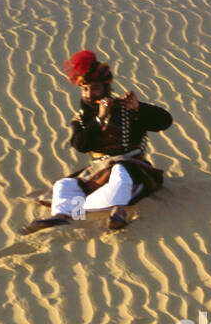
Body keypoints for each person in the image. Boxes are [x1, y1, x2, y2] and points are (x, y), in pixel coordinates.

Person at [24, 50, 173, 233]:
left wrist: (138, 108)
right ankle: (62, 217)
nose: (89, 94)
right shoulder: (81, 119)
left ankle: (118, 213)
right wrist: (99, 120)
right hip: (99, 172)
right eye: (85, 89)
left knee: (120, 171)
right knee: (65, 184)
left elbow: (165, 121)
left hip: (134, 171)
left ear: (105, 88)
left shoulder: (127, 109)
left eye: (94, 88)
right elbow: (81, 145)